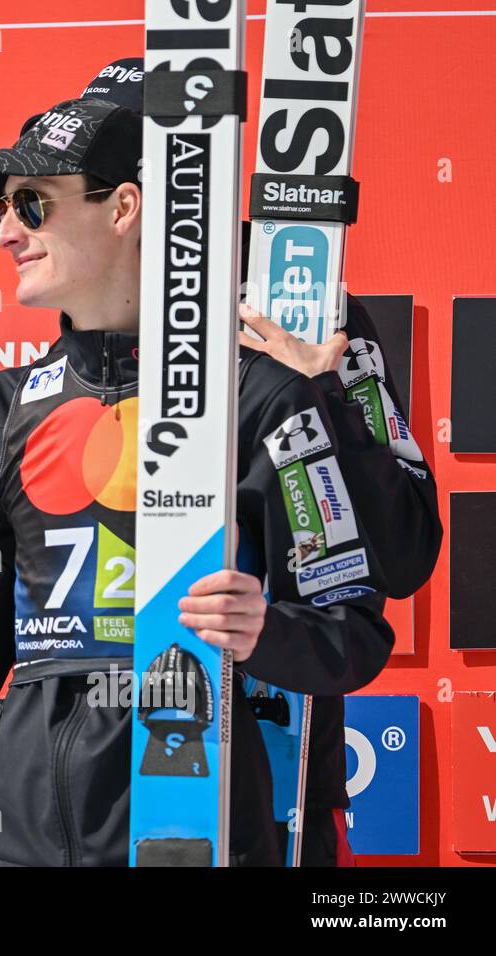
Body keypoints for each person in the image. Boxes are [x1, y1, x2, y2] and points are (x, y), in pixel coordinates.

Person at [0, 96, 399, 866]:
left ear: (126, 206)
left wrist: (269, 629)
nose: (3, 232)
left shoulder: (259, 397)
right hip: (20, 835)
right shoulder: (3, 408)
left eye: (31, 204)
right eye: (1, 208)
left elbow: (353, 629)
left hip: (195, 820)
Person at [85, 57, 443, 865]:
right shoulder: (86, 323)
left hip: (269, 783)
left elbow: (408, 550)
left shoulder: (301, 304)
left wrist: (323, 404)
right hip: (102, 785)